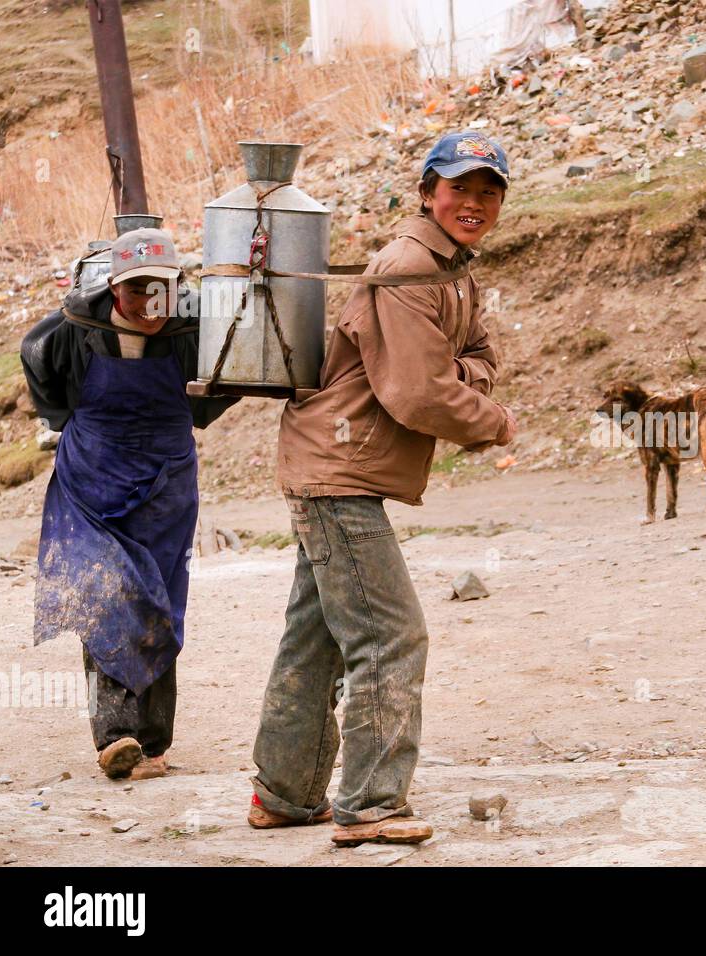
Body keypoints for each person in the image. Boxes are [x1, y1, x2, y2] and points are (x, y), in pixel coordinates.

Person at [249, 132, 517, 846]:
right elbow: (416, 392)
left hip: (337, 468)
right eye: (460, 188)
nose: (474, 203)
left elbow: (483, 353)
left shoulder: (451, 271)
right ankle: (369, 805)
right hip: (336, 472)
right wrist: (493, 420)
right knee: (392, 634)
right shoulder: (408, 267)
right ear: (429, 191)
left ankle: (283, 793)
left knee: (316, 639)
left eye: (489, 191)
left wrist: (466, 376)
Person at [20, 228, 237, 781]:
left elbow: (232, 376)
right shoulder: (74, 328)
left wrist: (202, 413)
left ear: (177, 287)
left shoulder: (194, 330)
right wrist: (60, 421)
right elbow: (34, 357)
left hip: (165, 485)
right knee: (104, 593)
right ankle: (116, 737)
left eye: (160, 289)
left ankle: (155, 742)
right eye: (135, 290)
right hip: (91, 478)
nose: (148, 304)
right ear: (114, 287)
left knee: (158, 603)